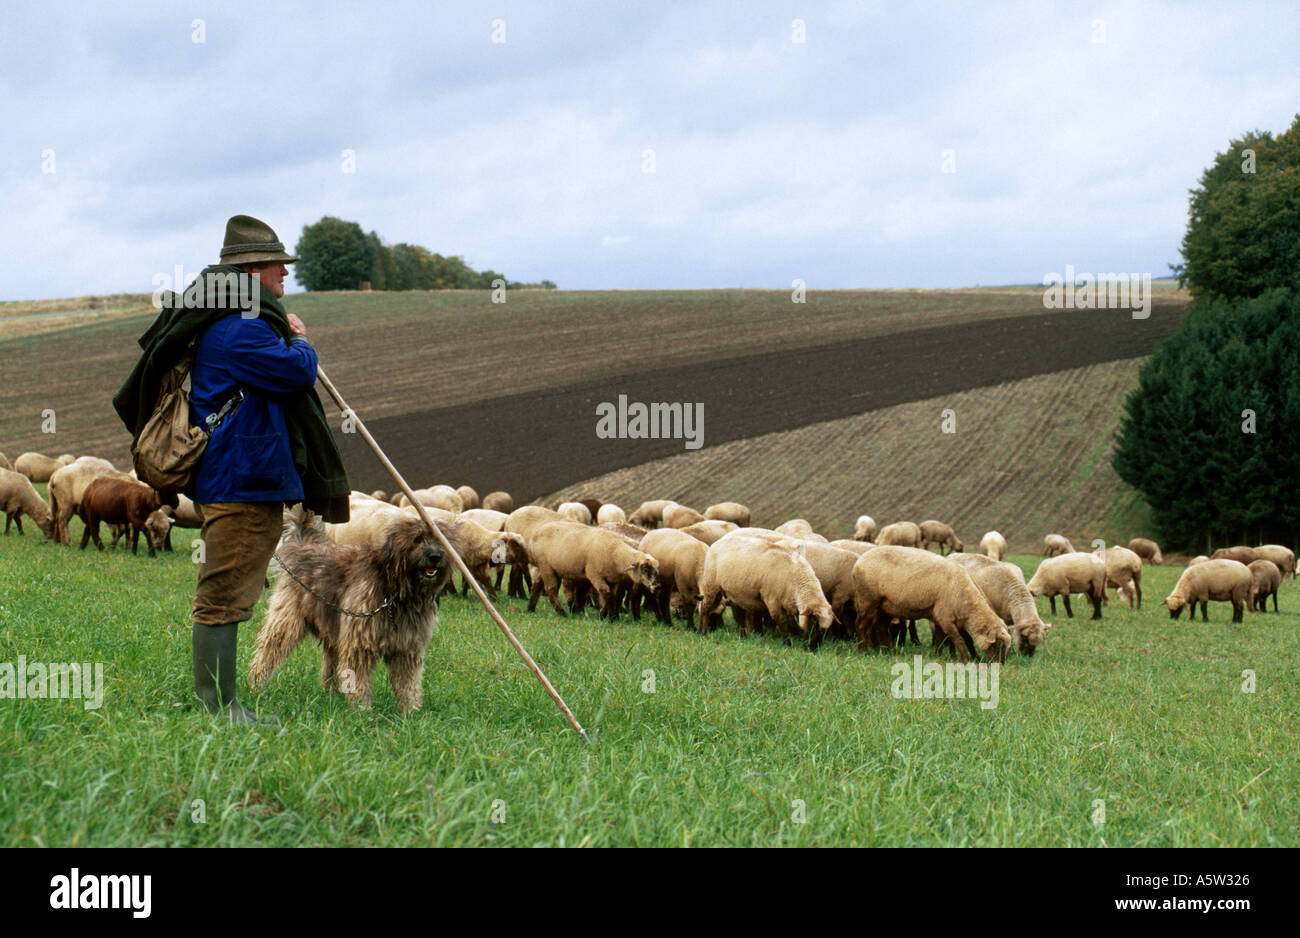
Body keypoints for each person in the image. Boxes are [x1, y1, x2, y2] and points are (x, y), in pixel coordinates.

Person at [113, 215, 350, 726]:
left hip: (246, 476)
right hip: (242, 480)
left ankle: (220, 702)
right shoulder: (241, 328)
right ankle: (220, 709)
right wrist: (302, 341)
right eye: (277, 266)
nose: (285, 276)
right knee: (223, 594)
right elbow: (295, 373)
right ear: (250, 271)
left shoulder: (241, 322)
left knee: (231, 590)